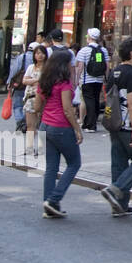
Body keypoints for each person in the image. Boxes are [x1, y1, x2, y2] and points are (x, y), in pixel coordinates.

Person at [100, 36, 132, 216]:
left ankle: (119, 205)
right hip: (129, 124)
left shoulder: (115, 72)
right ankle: (116, 189)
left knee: (119, 161)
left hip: (114, 122)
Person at [37, 50, 81, 218]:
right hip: (61, 126)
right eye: (70, 63)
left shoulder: (44, 81)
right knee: (74, 163)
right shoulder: (64, 83)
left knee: (51, 167)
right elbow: (68, 109)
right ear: (64, 65)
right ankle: (54, 200)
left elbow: (37, 106)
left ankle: (48, 203)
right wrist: (77, 129)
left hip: (45, 125)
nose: (72, 66)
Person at [74, 28, 111, 132]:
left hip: (87, 80)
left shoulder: (84, 50)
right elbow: (107, 65)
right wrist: (106, 77)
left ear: (89, 37)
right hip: (98, 80)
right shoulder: (103, 50)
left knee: (89, 101)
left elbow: (80, 67)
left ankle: (91, 125)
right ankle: (89, 123)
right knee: (95, 100)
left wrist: (77, 79)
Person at [21, 45, 48, 159]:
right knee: (30, 125)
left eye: (42, 53)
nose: (40, 55)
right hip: (30, 98)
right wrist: (36, 80)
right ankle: (29, 147)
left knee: (42, 125)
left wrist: (32, 81)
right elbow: (24, 80)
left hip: (43, 99)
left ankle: (41, 148)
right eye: (37, 53)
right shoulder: (31, 67)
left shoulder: (48, 68)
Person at [7, 39, 33, 134]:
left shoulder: (21, 57)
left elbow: (14, 70)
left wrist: (9, 82)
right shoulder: (39, 59)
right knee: (29, 106)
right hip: (32, 86)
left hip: (19, 84)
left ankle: (20, 122)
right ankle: (24, 121)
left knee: (18, 105)